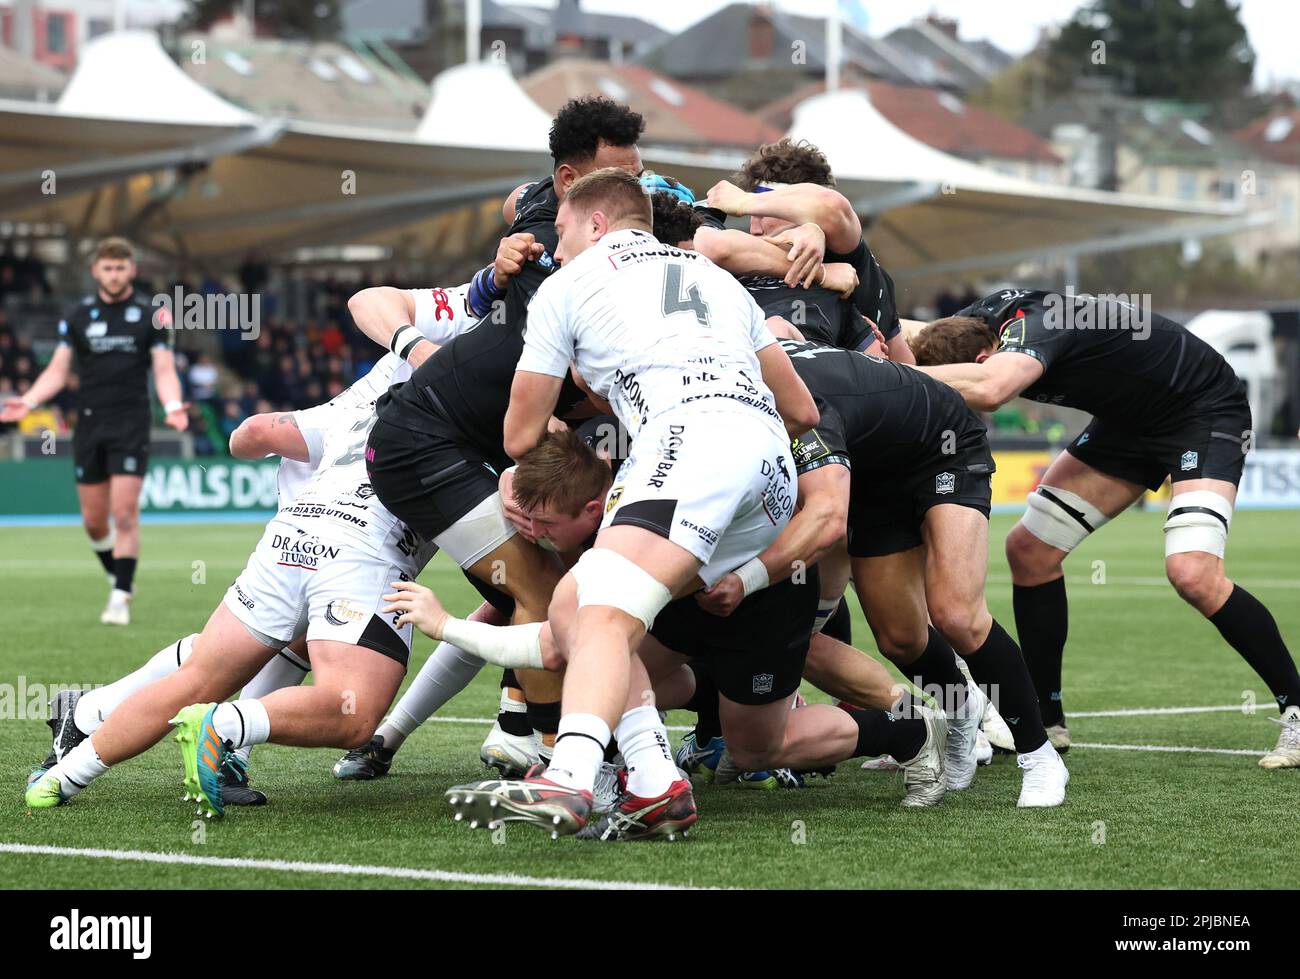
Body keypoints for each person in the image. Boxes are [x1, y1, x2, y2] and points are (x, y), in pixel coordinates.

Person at [433, 166, 818, 840]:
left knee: (602, 614)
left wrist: (588, 394)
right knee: (574, 608)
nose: (554, 248)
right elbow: (803, 408)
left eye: (560, 231)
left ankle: (572, 774)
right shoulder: (714, 277)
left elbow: (520, 436)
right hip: (769, 473)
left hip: (688, 440)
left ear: (596, 222)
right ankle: (654, 782)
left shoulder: (569, 285)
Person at [911, 289, 1300, 768]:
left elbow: (992, 389)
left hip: (1201, 410)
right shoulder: (974, 324)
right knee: (1030, 550)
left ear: (986, 355)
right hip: (1130, 421)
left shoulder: (1034, 332)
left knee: (1193, 574)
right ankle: (1046, 721)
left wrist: (903, 379)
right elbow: (905, 332)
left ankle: (1297, 709)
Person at [0, 237, 187, 626]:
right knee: (93, 521)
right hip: (90, 424)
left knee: (124, 513)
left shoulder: (153, 316)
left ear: (132, 270)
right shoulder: (78, 315)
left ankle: (120, 596)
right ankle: (116, 573)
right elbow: (57, 369)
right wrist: (30, 401)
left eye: (121, 267)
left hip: (132, 423)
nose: (114, 274)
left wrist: (172, 406)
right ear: (95, 271)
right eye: (107, 267)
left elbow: (164, 370)